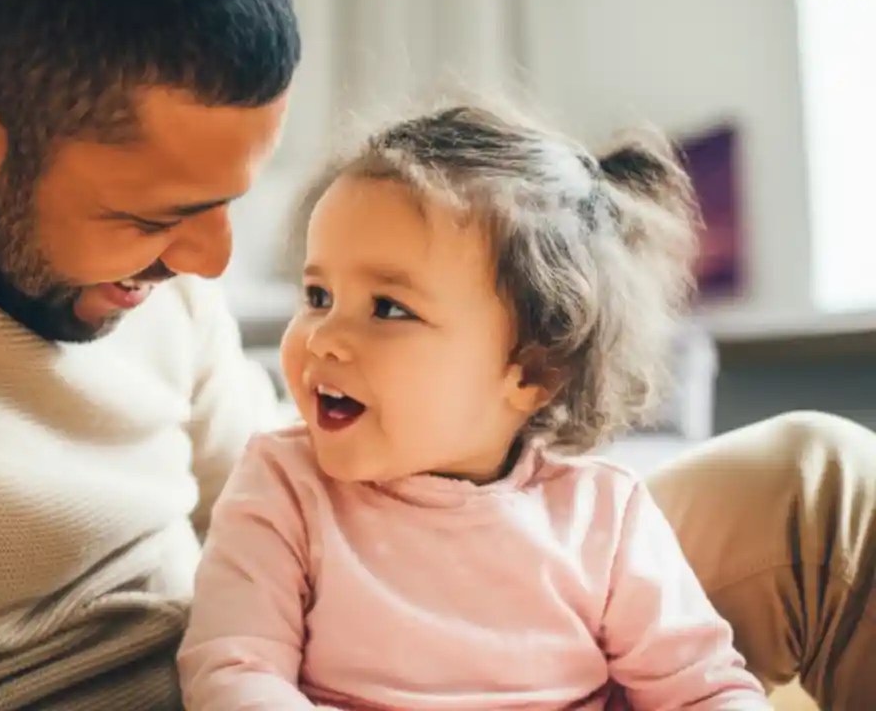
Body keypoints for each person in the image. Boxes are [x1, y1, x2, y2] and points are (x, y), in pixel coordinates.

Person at [0, 0, 870, 710]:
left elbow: (306, 485)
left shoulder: (156, 267)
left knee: (819, 482)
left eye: (229, 209)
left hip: (331, 650)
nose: (210, 269)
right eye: (153, 217)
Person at [177, 104, 772, 709]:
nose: (323, 336)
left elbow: (703, 689)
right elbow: (236, 671)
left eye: (387, 308)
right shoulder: (284, 487)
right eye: (318, 294)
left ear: (532, 370)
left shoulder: (602, 516)